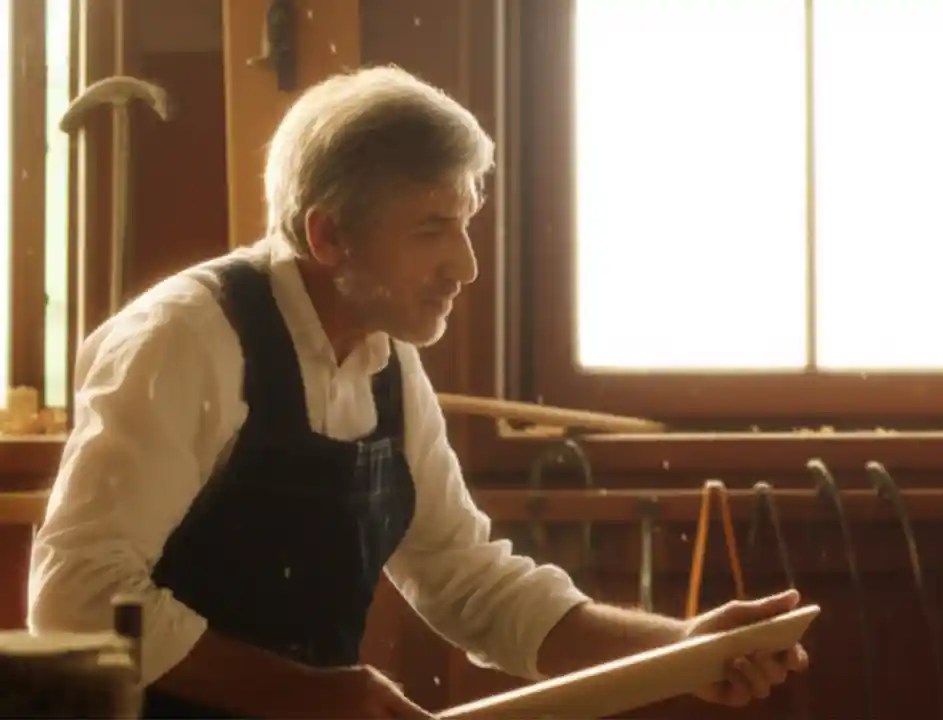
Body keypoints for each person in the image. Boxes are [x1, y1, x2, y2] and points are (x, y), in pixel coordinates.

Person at [27, 66, 808, 719]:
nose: (465, 266)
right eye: (433, 228)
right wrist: (313, 698)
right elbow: (77, 598)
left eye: (467, 225)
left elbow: (464, 578)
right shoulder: (184, 340)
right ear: (328, 235)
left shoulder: (388, 358)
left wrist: (683, 648)